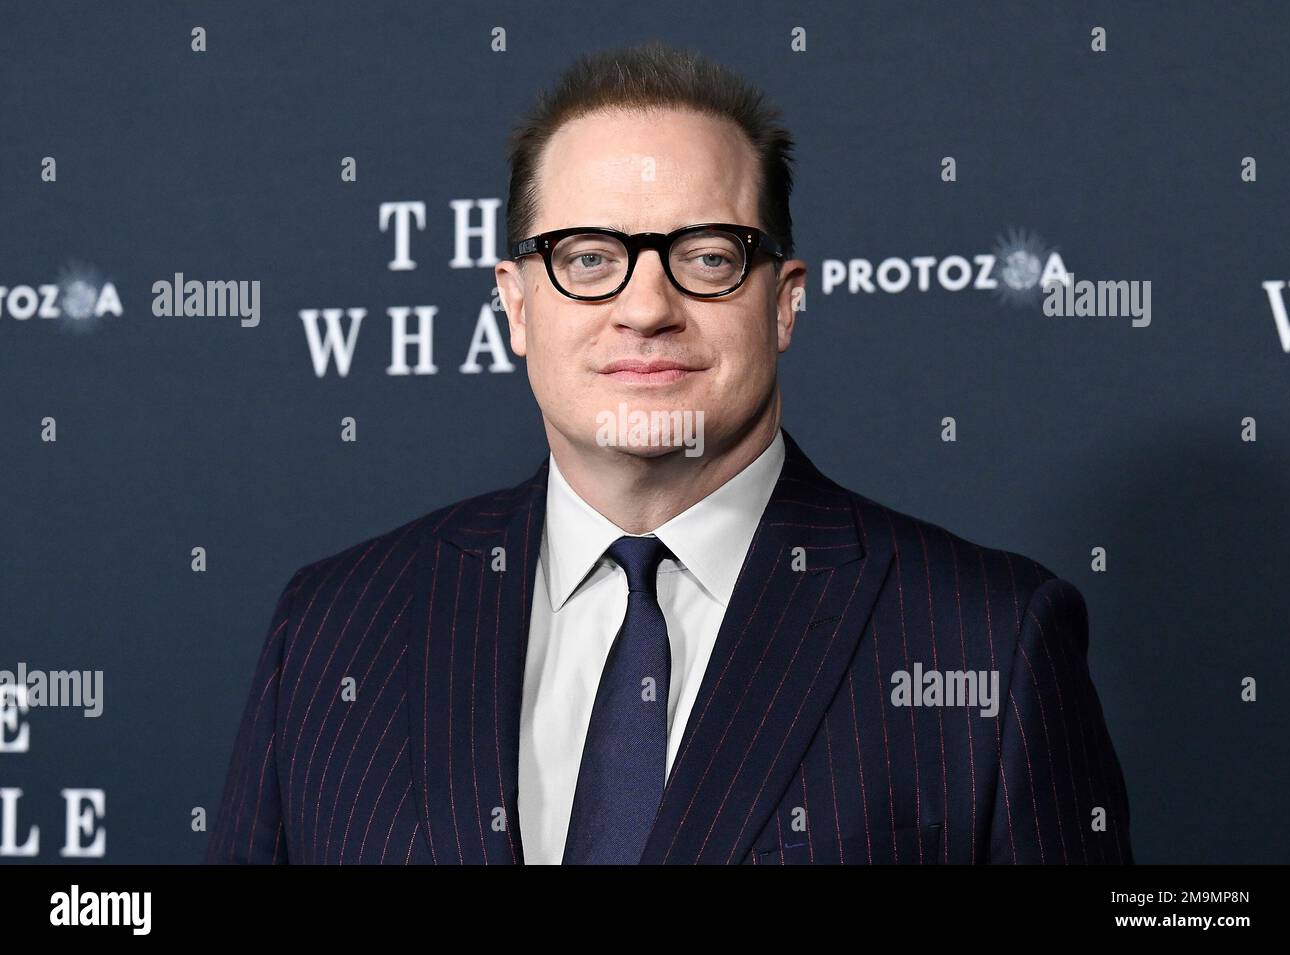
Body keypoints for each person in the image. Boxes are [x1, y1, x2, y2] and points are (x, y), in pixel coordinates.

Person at [207, 40, 1132, 865]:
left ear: (783, 299)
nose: (646, 307)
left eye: (707, 255)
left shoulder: (988, 641)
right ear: (517, 304)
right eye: (587, 256)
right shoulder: (332, 628)